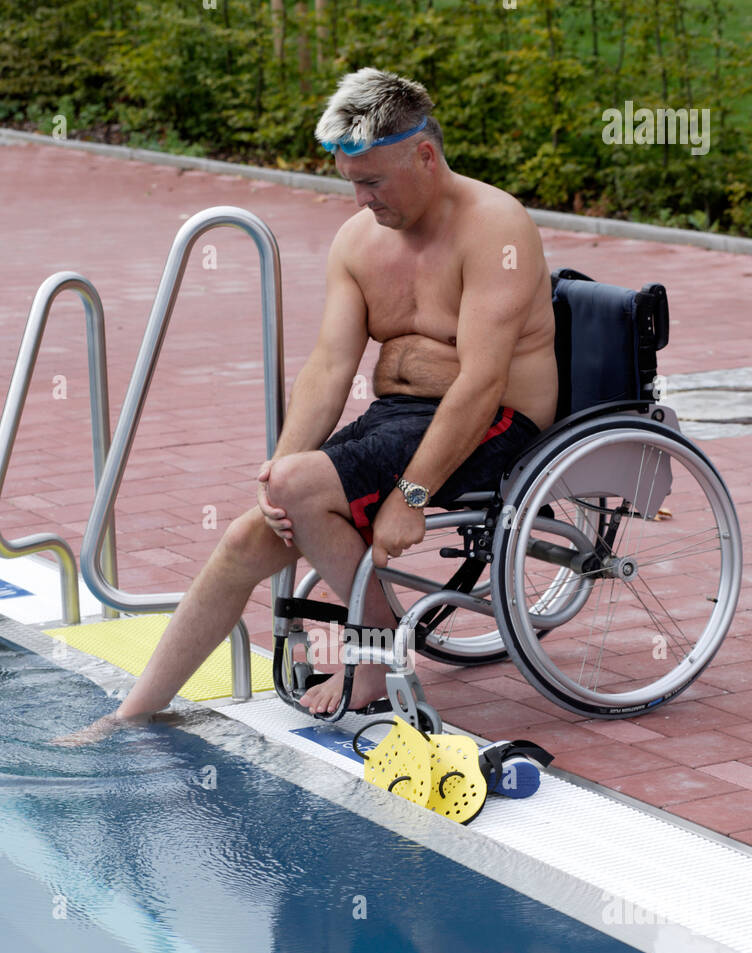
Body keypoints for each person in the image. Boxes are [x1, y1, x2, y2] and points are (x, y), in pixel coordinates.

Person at [59, 67, 557, 744]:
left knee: (298, 487)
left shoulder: (496, 228)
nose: (360, 199)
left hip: (496, 426)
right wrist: (282, 471)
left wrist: (411, 497)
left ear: (426, 155)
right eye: (350, 182)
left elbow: (480, 384)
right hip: (399, 423)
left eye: (373, 181)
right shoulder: (359, 241)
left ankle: (376, 655)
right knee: (251, 530)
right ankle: (130, 715)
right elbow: (329, 368)